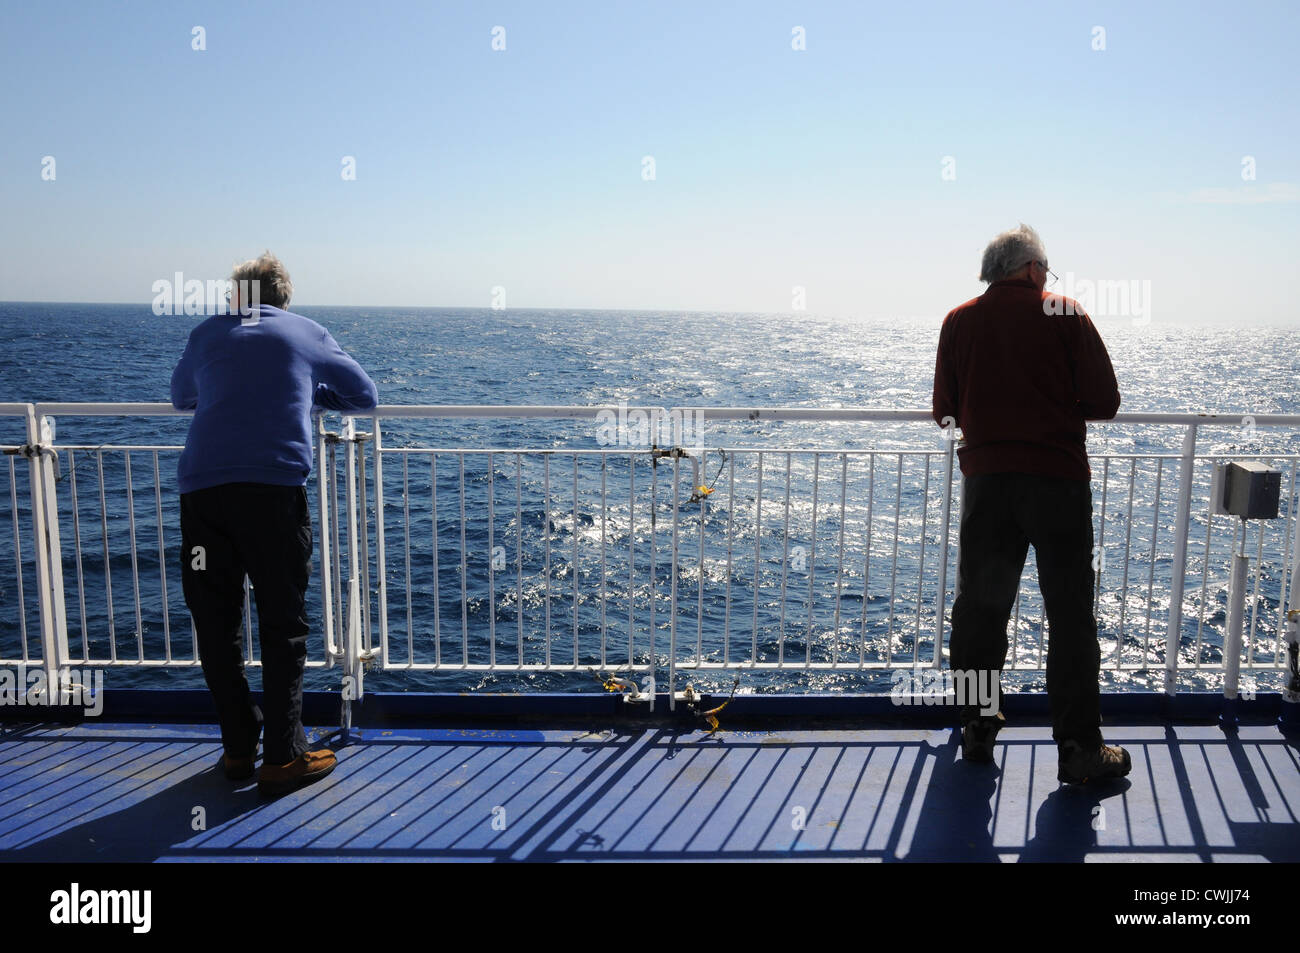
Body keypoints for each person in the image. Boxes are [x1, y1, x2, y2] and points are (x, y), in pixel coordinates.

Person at [170, 252, 378, 796]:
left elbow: (181, 398)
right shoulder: (306, 333)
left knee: (216, 623)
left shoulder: (206, 333)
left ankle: (239, 748)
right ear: (283, 296)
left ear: (236, 296)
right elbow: (365, 397)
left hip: (204, 494)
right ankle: (283, 757)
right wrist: (312, 395)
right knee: (282, 625)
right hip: (272, 494)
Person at [932, 224, 1131, 784]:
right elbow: (1105, 401)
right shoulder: (1063, 313)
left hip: (988, 484)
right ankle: (1077, 748)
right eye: (1046, 267)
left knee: (981, 610)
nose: (1048, 277)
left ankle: (977, 723)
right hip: (1057, 483)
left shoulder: (959, 321)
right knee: (1069, 615)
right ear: (1029, 268)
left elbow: (944, 410)